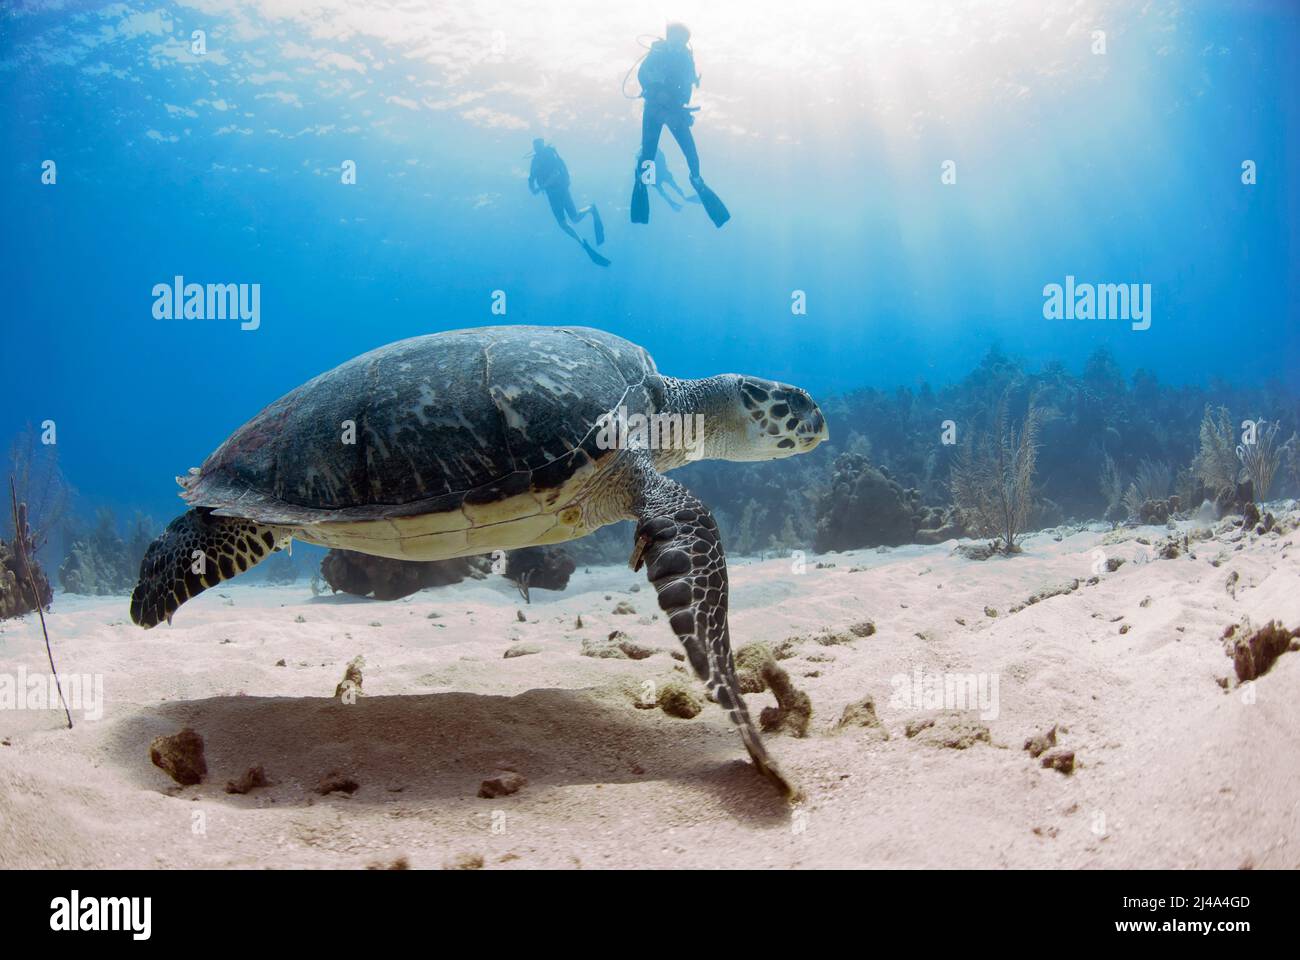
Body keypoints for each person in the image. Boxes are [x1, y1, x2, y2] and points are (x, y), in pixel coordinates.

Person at [630, 23, 729, 227]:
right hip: (655, 109)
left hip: (674, 111)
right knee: (648, 155)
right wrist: (658, 91)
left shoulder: (685, 58)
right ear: (668, 37)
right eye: (675, 40)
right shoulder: (657, 52)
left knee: (690, 152)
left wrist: (675, 102)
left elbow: (686, 92)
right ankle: (643, 181)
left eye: (681, 41)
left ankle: (696, 180)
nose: (677, 45)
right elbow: (642, 76)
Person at [528, 138, 609, 266]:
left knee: (575, 218)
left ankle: (591, 208)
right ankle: (582, 242)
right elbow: (531, 178)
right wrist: (532, 188)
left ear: (542, 145)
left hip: (561, 190)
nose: (536, 148)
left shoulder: (550, 154)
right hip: (551, 195)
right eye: (535, 146)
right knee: (562, 224)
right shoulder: (535, 161)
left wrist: (542, 187)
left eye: (538, 145)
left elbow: (556, 173)